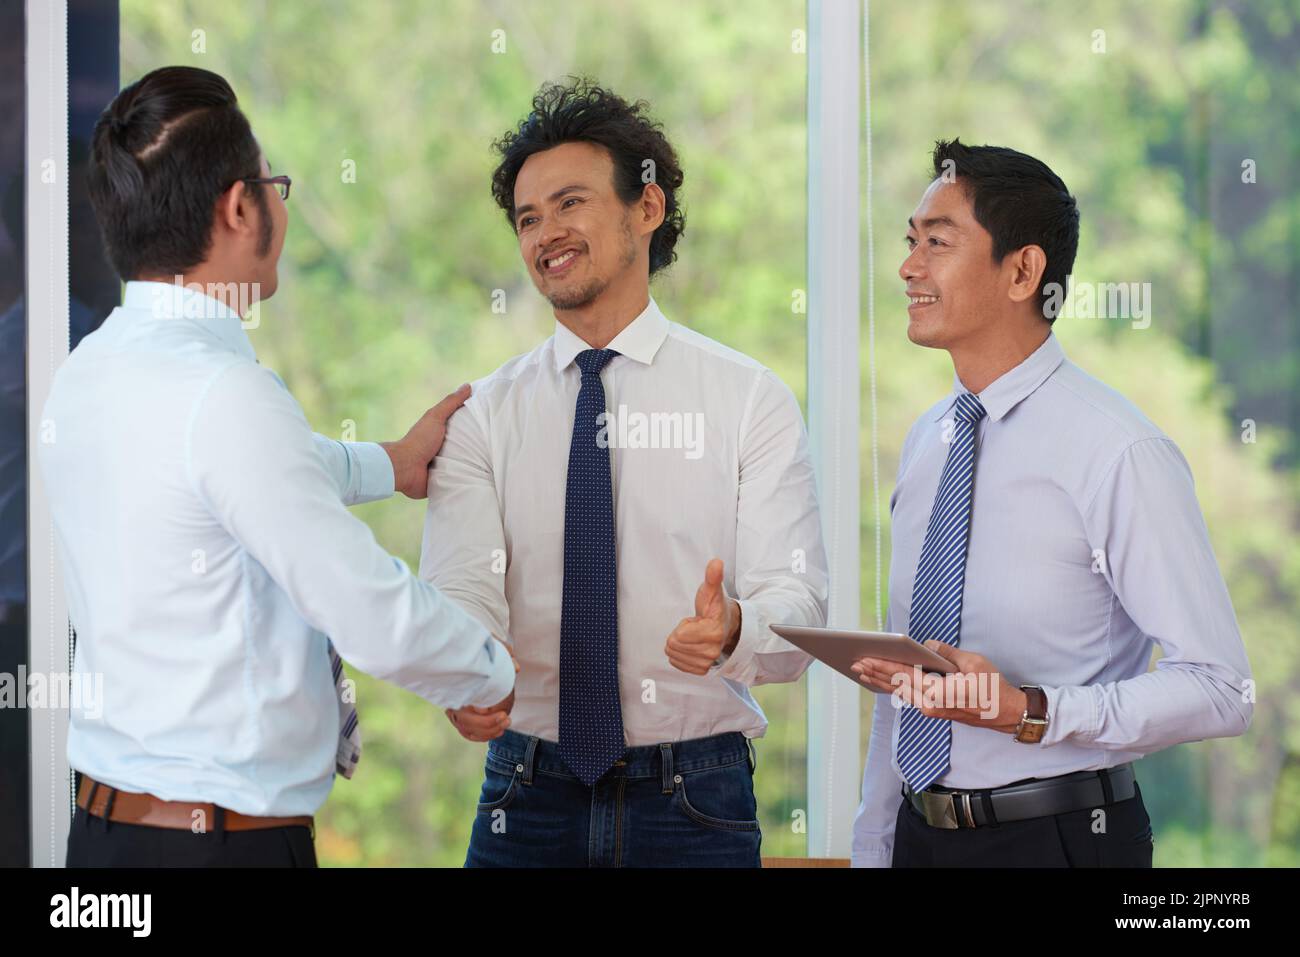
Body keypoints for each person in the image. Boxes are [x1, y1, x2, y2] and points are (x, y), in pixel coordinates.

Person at [40, 65, 515, 867]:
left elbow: (239, 479)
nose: (278, 205)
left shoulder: (89, 372)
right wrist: (487, 674)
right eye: (274, 185)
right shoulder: (227, 396)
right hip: (223, 848)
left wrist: (389, 464)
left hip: (103, 845)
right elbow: (368, 609)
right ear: (237, 206)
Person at [421, 78, 829, 868]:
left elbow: (801, 604)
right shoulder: (483, 416)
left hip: (695, 798)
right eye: (528, 218)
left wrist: (733, 627)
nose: (546, 233)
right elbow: (461, 587)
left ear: (647, 208)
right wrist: (465, 667)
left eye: (570, 204)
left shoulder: (749, 399)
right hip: (524, 794)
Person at [850, 139, 1253, 867]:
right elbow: (902, 700)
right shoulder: (928, 441)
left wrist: (1031, 711)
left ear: (1023, 270)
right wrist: (875, 846)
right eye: (910, 242)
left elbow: (1223, 688)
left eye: (936, 243)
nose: (908, 266)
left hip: (1058, 840)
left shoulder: (1118, 450)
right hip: (918, 836)